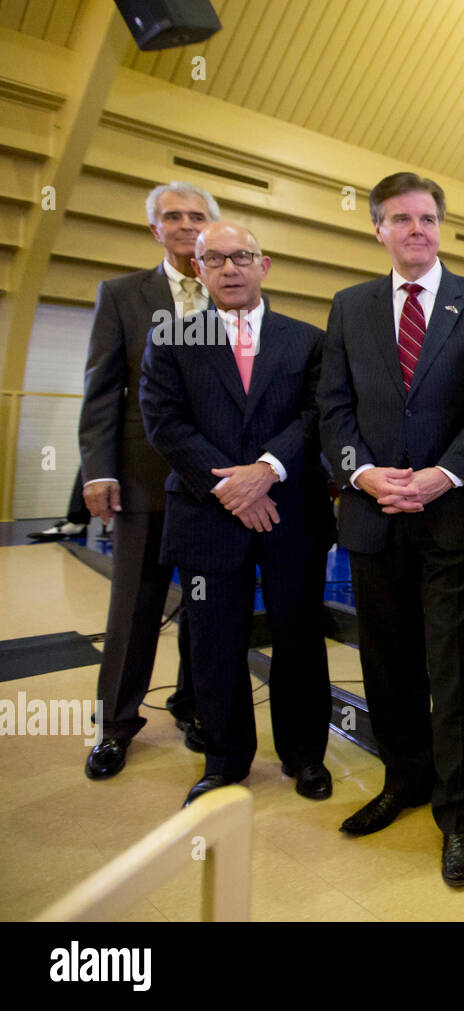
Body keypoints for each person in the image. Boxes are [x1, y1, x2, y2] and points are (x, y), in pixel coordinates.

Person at [317, 172, 464, 887]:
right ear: (377, 229)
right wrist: (363, 474)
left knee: (455, 669)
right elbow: (332, 408)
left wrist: (443, 474)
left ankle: (461, 815)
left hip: (452, 516)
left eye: (427, 217)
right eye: (400, 218)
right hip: (372, 516)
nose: (416, 229)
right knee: (388, 663)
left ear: (441, 225)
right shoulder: (349, 308)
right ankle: (403, 779)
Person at [140, 222, 335, 806]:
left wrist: (267, 471)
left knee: (299, 637)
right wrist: (232, 487)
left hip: (290, 511)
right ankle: (225, 759)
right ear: (198, 269)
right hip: (207, 512)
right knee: (213, 639)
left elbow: (316, 415)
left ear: (264, 265)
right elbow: (165, 423)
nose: (230, 268)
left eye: (241, 257)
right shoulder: (171, 338)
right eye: (215, 258)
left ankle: (305, 756)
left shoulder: (307, 340)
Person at [79, 181, 216, 779]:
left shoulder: (233, 291)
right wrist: (98, 469)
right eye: (173, 217)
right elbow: (103, 388)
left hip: (214, 482)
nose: (186, 225)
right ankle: (116, 725)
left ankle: (195, 707)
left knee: (208, 606)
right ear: (154, 230)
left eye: (197, 216)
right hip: (139, 477)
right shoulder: (122, 295)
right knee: (133, 607)